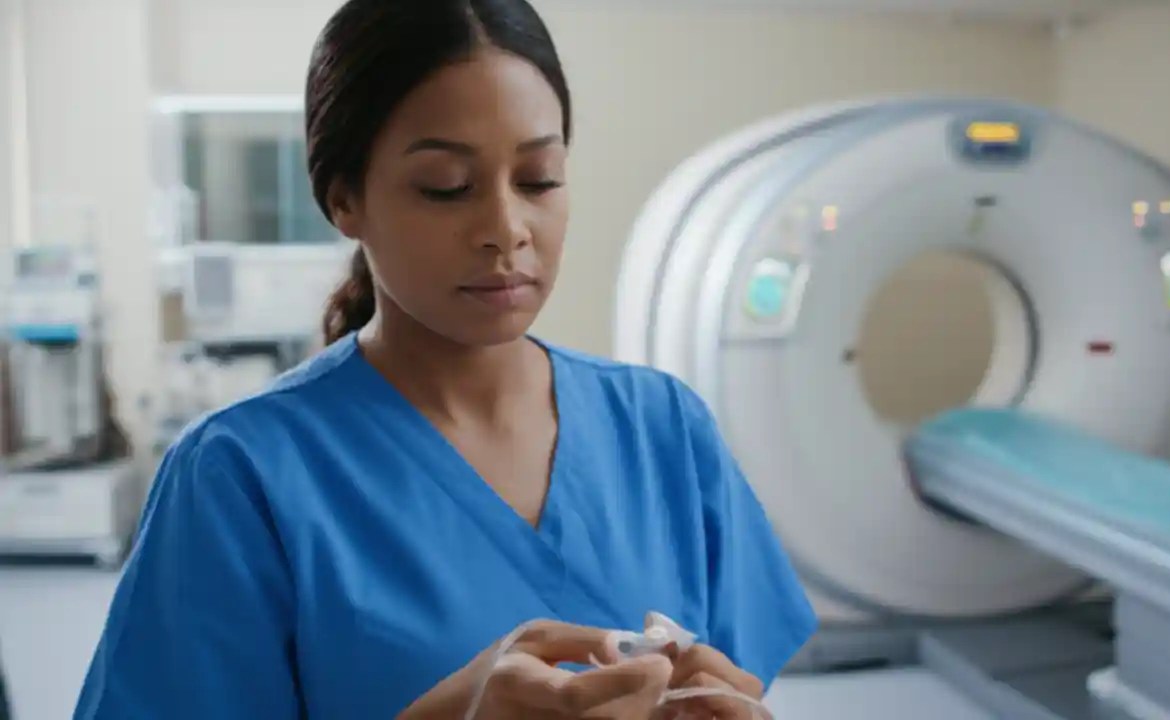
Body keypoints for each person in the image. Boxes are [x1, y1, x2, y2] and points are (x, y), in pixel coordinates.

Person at [73, 0, 817, 717]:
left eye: (538, 179)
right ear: (344, 199)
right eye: (446, 187)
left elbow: (734, 684)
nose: (506, 228)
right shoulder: (240, 474)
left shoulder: (663, 429)